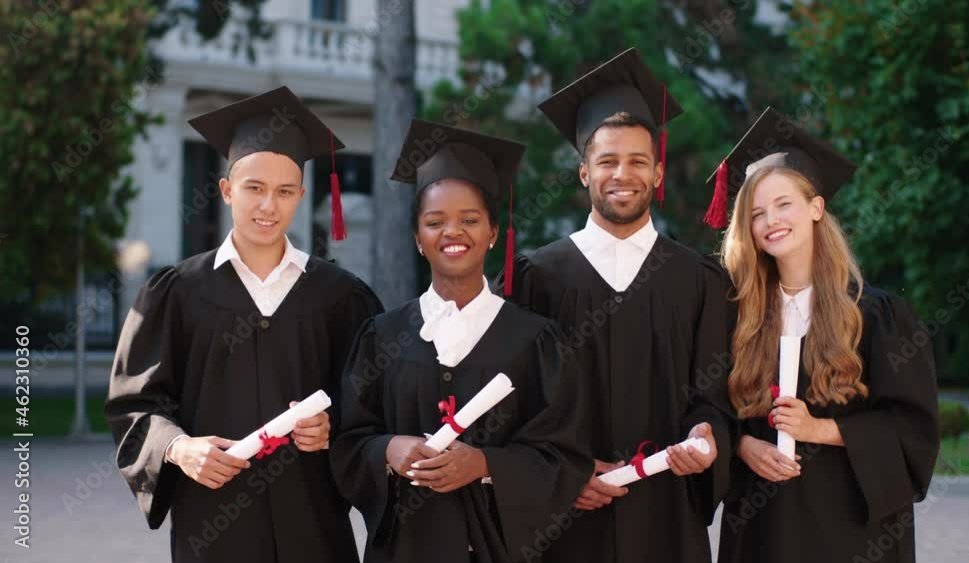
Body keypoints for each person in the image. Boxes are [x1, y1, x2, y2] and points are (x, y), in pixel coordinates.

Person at [105, 86, 382, 563]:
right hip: (213, 529)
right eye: (254, 188)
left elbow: (376, 403)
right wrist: (177, 447)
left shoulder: (341, 297)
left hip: (313, 529)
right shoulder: (177, 293)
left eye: (284, 191)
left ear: (300, 195)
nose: (267, 206)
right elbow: (134, 403)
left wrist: (332, 427)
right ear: (227, 189)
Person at [496, 47, 735, 563]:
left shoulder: (697, 280)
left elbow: (713, 395)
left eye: (637, 161)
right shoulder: (537, 278)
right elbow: (513, 400)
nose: (621, 174)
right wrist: (561, 474)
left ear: (657, 173)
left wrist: (707, 435)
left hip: (667, 517)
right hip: (563, 522)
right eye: (607, 161)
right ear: (584, 172)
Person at [332, 119, 592, 563]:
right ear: (417, 239)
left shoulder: (534, 340)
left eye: (469, 220)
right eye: (435, 222)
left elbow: (564, 455)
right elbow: (348, 440)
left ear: (493, 232)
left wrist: (486, 465)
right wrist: (390, 450)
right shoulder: (383, 336)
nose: (452, 232)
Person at [705, 107, 940, 563]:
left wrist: (822, 429)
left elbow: (913, 431)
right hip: (762, 530)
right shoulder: (737, 319)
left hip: (853, 532)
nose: (771, 220)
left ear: (816, 207)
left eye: (784, 204)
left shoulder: (874, 315)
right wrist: (741, 444)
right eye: (756, 213)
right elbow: (706, 407)